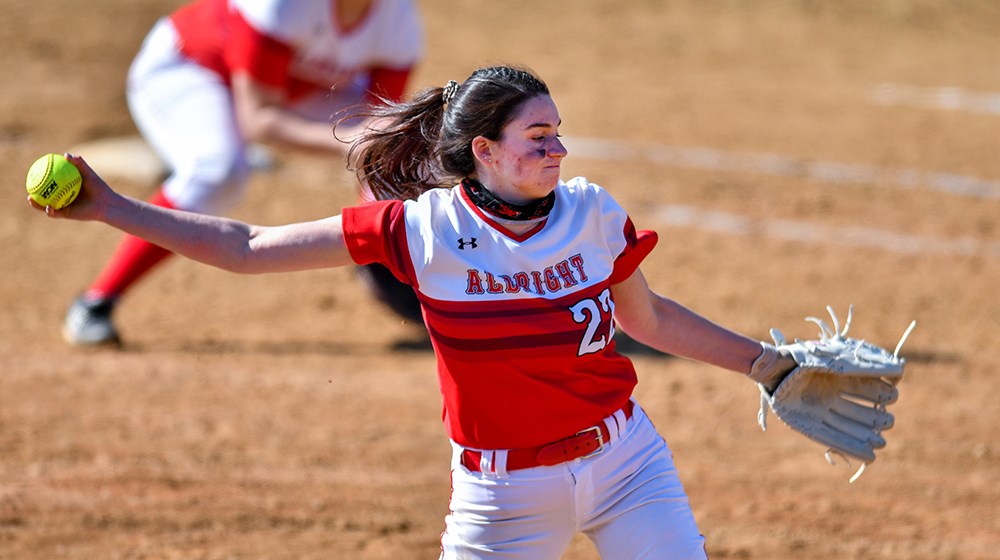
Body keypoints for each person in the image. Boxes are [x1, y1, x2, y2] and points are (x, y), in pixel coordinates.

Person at [31, 65, 797, 559]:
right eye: (538, 136)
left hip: (627, 465)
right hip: (503, 501)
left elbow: (650, 319)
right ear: (484, 151)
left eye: (558, 133)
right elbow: (249, 245)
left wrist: (769, 366)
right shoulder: (419, 230)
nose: (558, 149)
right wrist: (111, 208)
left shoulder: (594, 214)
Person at [63, 0, 425, 347]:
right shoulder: (284, 3)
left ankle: (430, 288)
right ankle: (96, 301)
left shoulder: (397, 18)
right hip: (191, 69)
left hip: (287, 91)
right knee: (218, 170)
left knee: (403, 140)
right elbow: (258, 119)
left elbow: (380, 137)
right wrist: (349, 141)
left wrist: (378, 235)